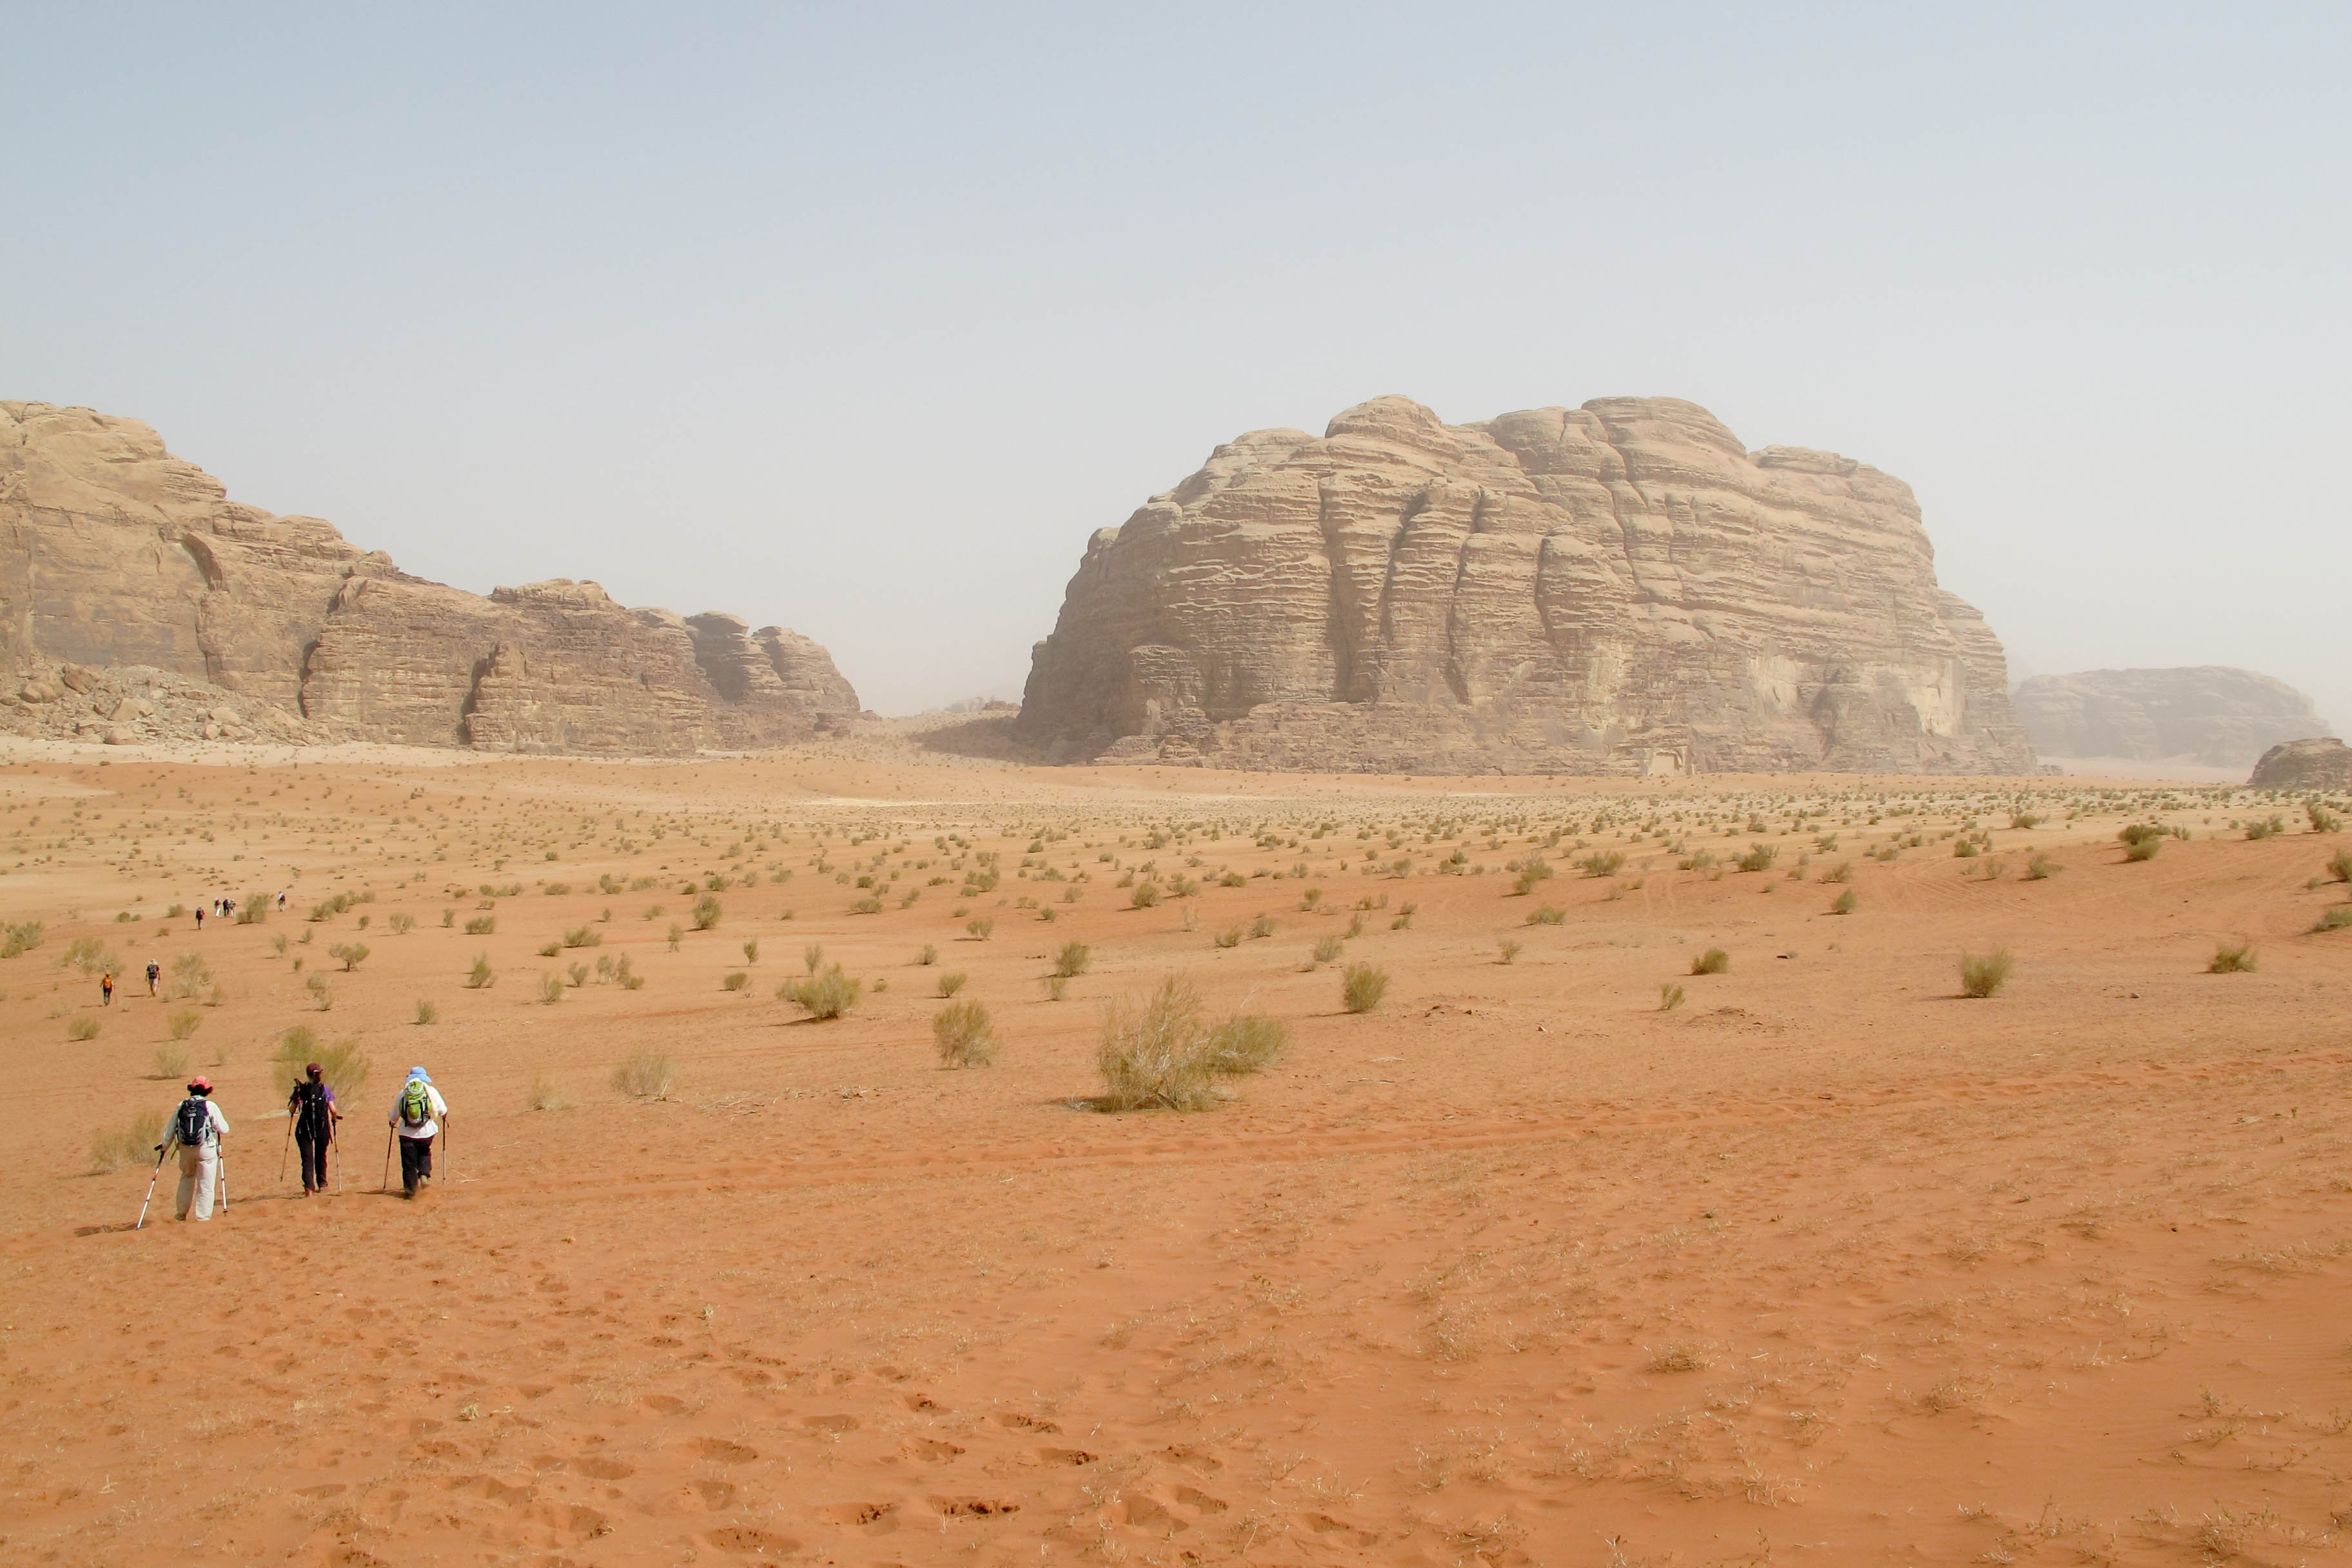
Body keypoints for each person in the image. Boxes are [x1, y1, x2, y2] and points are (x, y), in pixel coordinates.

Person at [162, 1077, 230, 1222]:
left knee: (187, 1177)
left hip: (185, 1149)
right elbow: (224, 1129)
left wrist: (164, 1146)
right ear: (207, 1090)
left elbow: (170, 1130)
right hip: (206, 1148)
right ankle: (203, 1217)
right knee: (206, 1183)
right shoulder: (210, 1106)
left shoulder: (182, 1105)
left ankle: (181, 1213)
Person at [389, 1067, 447, 1199]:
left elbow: (394, 1114)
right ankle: (424, 1174)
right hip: (427, 1132)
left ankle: (411, 1191)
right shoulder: (431, 1091)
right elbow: (443, 1110)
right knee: (424, 1152)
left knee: (408, 1162)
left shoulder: (403, 1093)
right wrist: (443, 1117)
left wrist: (392, 1122)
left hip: (406, 1134)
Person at [287, 1063, 340, 1195]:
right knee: (321, 1156)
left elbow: (292, 1110)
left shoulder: (300, 1090)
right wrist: (334, 1119)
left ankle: (309, 1188)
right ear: (320, 1074)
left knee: (307, 1159)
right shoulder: (325, 1089)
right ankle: (322, 1184)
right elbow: (333, 1109)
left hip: (304, 1128)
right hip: (322, 1127)